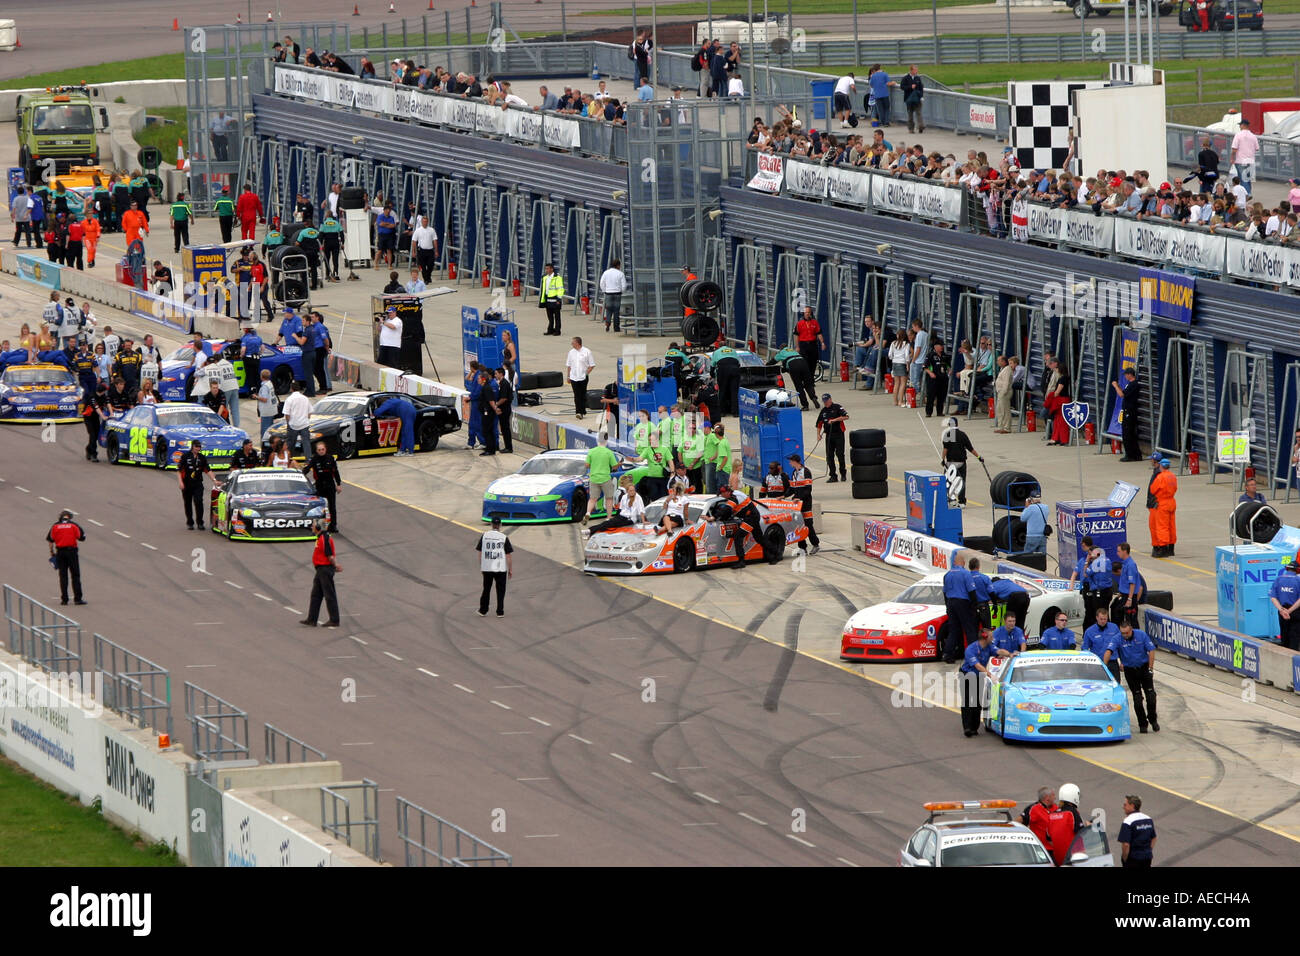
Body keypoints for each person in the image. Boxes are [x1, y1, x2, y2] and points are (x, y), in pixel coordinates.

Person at [1117, 618, 1159, 732]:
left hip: (1144, 668)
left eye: (1127, 633)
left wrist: (1150, 668)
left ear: (1131, 630)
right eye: (1122, 633)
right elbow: (1109, 651)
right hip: (1130, 671)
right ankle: (1142, 724)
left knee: (1151, 696)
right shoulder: (1118, 638)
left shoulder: (1141, 635)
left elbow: (1151, 650)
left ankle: (1153, 719)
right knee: (1137, 698)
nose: (1124, 635)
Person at [705, 484, 762, 569]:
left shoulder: (733, 498)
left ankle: (741, 561)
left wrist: (713, 517)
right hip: (750, 516)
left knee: (738, 536)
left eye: (721, 494)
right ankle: (775, 554)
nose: (721, 496)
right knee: (759, 538)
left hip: (751, 517)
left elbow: (726, 509)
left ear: (727, 492)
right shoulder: (735, 493)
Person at [300, 520, 342, 628]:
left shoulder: (325, 538)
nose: (312, 527)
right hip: (320, 570)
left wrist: (335, 565)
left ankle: (334, 620)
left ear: (319, 527)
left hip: (325, 569)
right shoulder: (321, 538)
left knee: (329, 595)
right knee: (316, 595)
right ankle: (312, 619)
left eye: (314, 525)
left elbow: (329, 555)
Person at [47, 509, 87, 606]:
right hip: (72, 552)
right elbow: (81, 537)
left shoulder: (55, 526)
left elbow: (50, 540)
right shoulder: (74, 525)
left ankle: (64, 600)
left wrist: (52, 552)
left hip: (60, 552)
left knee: (63, 576)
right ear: (69, 517)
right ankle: (78, 599)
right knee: (75, 575)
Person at [942, 556, 978, 662]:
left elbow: (944, 592)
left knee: (953, 630)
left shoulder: (947, 575)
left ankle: (948, 654)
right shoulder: (966, 573)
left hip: (950, 603)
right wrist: (974, 607)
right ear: (963, 562)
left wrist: (947, 606)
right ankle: (973, 654)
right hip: (962, 602)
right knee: (970, 629)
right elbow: (972, 591)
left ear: (954, 563)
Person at [477, 516, 514, 617]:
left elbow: (480, 552)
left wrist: (482, 566)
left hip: (487, 567)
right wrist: (510, 569)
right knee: (501, 590)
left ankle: (483, 610)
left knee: (486, 589)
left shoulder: (484, 536)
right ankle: (500, 611)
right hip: (500, 568)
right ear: (500, 525)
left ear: (491, 524)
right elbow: (508, 555)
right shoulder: (503, 537)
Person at [302, 440, 342, 533]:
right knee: (319, 507)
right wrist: (300, 474)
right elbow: (307, 469)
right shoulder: (314, 459)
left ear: (325, 449)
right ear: (317, 451)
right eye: (319, 450)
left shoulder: (331, 458)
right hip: (319, 486)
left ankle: (333, 526)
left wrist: (338, 484)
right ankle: (320, 526)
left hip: (330, 485)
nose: (321, 451)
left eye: (322, 449)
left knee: (332, 507)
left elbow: (335, 472)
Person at [959, 630, 994, 737]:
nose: (993, 638)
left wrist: (1010, 654)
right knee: (967, 701)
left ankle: (974, 727)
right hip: (967, 675)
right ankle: (967, 728)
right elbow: (977, 666)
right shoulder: (971, 649)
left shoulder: (989, 646)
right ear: (985, 637)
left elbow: (999, 651)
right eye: (991, 636)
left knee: (977, 701)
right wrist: (990, 675)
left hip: (979, 676)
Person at [940, 417, 981, 507]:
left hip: (950, 463)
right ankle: (962, 502)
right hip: (961, 462)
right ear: (957, 424)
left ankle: (951, 500)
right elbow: (971, 448)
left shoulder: (947, 435)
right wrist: (979, 457)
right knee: (961, 482)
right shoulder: (963, 435)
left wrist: (943, 459)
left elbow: (945, 449)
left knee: (948, 481)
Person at [785, 453, 821, 555]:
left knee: (808, 525)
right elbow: (792, 489)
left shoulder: (806, 472)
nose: (789, 463)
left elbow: (808, 490)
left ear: (795, 461)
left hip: (805, 503)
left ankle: (816, 544)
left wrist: (799, 498)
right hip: (797, 505)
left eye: (791, 461)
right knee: (798, 525)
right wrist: (783, 496)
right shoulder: (794, 473)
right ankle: (802, 548)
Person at [583, 433, 620, 524]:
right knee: (609, 498)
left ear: (598, 440)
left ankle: (588, 513)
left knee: (592, 499)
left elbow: (587, 465)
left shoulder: (591, 451)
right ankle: (608, 517)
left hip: (594, 478)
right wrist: (618, 464)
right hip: (605, 478)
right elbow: (614, 466)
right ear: (606, 440)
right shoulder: (608, 452)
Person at [178, 440, 212, 530]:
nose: (198, 448)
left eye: (199, 447)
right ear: (192, 446)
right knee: (188, 503)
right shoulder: (185, 456)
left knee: (198, 501)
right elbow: (179, 470)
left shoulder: (202, 458)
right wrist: (180, 482)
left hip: (197, 484)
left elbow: (208, 470)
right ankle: (190, 522)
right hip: (187, 484)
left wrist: (215, 480)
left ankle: (200, 522)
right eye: (196, 446)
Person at [1082, 606, 1122, 682]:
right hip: (1098, 663)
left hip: (1112, 662)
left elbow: (1120, 645)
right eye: (1101, 619)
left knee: (1116, 684)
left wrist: (1122, 662)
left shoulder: (1114, 628)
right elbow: (1085, 648)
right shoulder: (1089, 631)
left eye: (1105, 619)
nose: (1103, 621)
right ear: (1096, 618)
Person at [815, 393, 848, 482]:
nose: (826, 403)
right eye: (824, 401)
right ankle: (833, 475)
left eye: (827, 401)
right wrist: (818, 434)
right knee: (829, 456)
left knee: (840, 454)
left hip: (839, 434)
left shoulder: (837, 407)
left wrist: (835, 420)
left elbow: (846, 416)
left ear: (830, 399)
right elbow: (819, 424)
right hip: (828, 435)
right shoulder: (823, 411)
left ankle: (843, 473)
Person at [1269, 559, 1300, 651]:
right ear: (1297, 570)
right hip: (1295, 612)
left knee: (1284, 635)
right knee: (1295, 637)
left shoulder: (1278, 579)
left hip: (1282, 612)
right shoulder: (1298, 580)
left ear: (1287, 568)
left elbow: (1273, 597)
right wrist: (1289, 611)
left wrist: (1281, 610)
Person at [1118, 795, 1156, 868]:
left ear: (1132, 806)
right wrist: (1148, 851)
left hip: (1133, 859)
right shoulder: (1148, 819)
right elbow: (1154, 838)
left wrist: (1124, 859)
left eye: (1125, 805)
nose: (1123, 807)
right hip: (1147, 858)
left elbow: (1126, 844)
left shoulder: (1128, 821)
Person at [1150, 457, 1177, 557]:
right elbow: (1175, 488)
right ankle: (1171, 548)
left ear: (1161, 466)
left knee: (1162, 526)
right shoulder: (1172, 476)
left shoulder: (1160, 477)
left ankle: (1162, 548)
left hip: (1163, 503)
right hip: (1172, 502)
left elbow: (1153, 489)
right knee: (1171, 525)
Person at [1113, 367, 1142, 461]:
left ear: (1130, 374)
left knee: (1127, 434)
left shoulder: (1134, 384)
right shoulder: (1130, 385)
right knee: (1130, 433)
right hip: (1127, 411)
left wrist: (1116, 386)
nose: (1125, 376)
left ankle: (1130, 455)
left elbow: (1121, 394)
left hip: (1130, 412)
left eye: (1126, 374)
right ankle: (1135, 454)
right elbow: (1124, 393)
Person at [564, 336, 594, 420]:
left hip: (583, 377)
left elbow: (592, 365)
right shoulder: (571, 352)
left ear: (577, 343)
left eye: (573, 343)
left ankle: (582, 410)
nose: (571, 344)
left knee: (582, 394)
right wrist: (568, 376)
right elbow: (569, 365)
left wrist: (586, 374)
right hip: (574, 377)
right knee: (576, 395)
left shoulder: (587, 352)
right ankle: (578, 412)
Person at [1114, 542, 1143, 625]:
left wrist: (1129, 599)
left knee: (1131, 619)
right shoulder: (1125, 564)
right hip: (1124, 595)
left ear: (1125, 551)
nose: (1117, 553)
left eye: (1119, 551)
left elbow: (1132, 583)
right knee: (1123, 616)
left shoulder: (1131, 565)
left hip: (1129, 596)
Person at [281, 381, 312, 458]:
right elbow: (310, 412)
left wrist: (289, 423)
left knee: (290, 443)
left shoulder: (289, 399)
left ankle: (288, 458)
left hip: (293, 424)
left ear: (291, 389)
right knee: (306, 443)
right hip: (304, 424)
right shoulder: (305, 398)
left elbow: (287, 414)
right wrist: (306, 419)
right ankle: (308, 460)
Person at [599, 258, 629, 332]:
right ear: (618, 265)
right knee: (616, 311)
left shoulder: (606, 273)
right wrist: (622, 291)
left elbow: (601, 283)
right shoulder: (620, 273)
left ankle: (608, 323)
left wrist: (604, 290)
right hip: (617, 293)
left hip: (608, 293)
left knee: (608, 309)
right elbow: (624, 285)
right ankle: (616, 328)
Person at [922, 337, 950, 417]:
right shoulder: (930, 355)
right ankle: (928, 412)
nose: (942, 347)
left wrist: (949, 369)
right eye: (940, 345)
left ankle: (940, 412)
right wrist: (930, 373)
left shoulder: (944, 355)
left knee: (941, 396)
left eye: (942, 345)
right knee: (931, 396)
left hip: (943, 378)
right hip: (933, 379)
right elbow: (924, 367)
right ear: (935, 346)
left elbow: (948, 365)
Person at [794, 306, 824, 378]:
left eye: (809, 312)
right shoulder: (799, 323)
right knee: (805, 363)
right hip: (803, 345)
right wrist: (797, 346)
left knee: (813, 362)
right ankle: (806, 379)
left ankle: (811, 379)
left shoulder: (815, 322)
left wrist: (822, 342)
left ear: (811, 313)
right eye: (806, 312)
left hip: (813, 344)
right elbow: (796, 335)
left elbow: (819, 333)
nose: (807, 314)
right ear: (804, 313)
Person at [539, 263, 565, 336]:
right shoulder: (545, 278)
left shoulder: (558, 278)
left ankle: (557, 331)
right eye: (546, 269)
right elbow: (544, 289)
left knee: (557, 316)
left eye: (547, 268)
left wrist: (559, 299)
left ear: (552, 269)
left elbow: (560, 289)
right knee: (550, 316)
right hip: (547, 299)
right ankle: (550, 330)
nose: (546, 270)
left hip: (555, 299)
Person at [492, 367, 514, 453]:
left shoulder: (504, 384)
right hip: (503, 408)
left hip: (505, 409)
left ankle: (509, 447)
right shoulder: (501, 383)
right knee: (504, 428)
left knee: (505, 428)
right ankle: (507, 446)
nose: (495, 375)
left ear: (501, 374)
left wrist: (496, 404)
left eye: (496, 373)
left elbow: (504, 398)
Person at [900, 64, 925, 134]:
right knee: (910, 114)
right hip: (909, 99)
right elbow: (902, 87)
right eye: (915, 70)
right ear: (911, 70)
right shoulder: (905, 78)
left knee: (919, 112)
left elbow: (921, 88)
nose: (916, 71)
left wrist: (921, 96)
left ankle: (921, 126)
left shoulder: (918, 78)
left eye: (917, 70)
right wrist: (910, 87)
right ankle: (911, 128)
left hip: (917, 99)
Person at [256, 368, 278, 438]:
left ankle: (264, 445)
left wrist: (256, 397)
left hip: (266, 411)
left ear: (261, 377)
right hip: (271, 409)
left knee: (265, 431)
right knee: (270, 429)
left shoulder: (265, 387)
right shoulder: (270, 384)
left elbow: (265, 399)